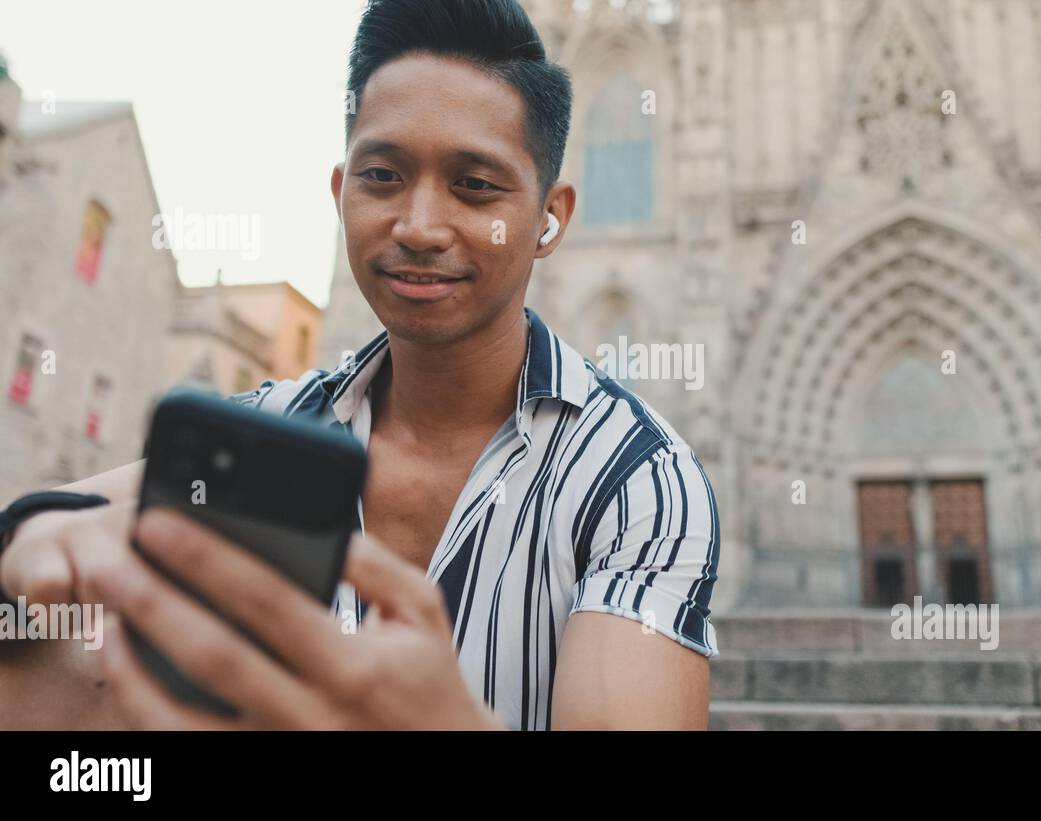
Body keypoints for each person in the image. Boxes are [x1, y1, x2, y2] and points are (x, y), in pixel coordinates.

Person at [0, 0, 719, 731]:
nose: (418, 226)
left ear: (551, 217)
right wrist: (27, 551)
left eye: (475, 185)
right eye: (383, 175)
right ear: (341, 194)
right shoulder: (260, 434)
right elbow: (45, 533)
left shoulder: (641, 482)